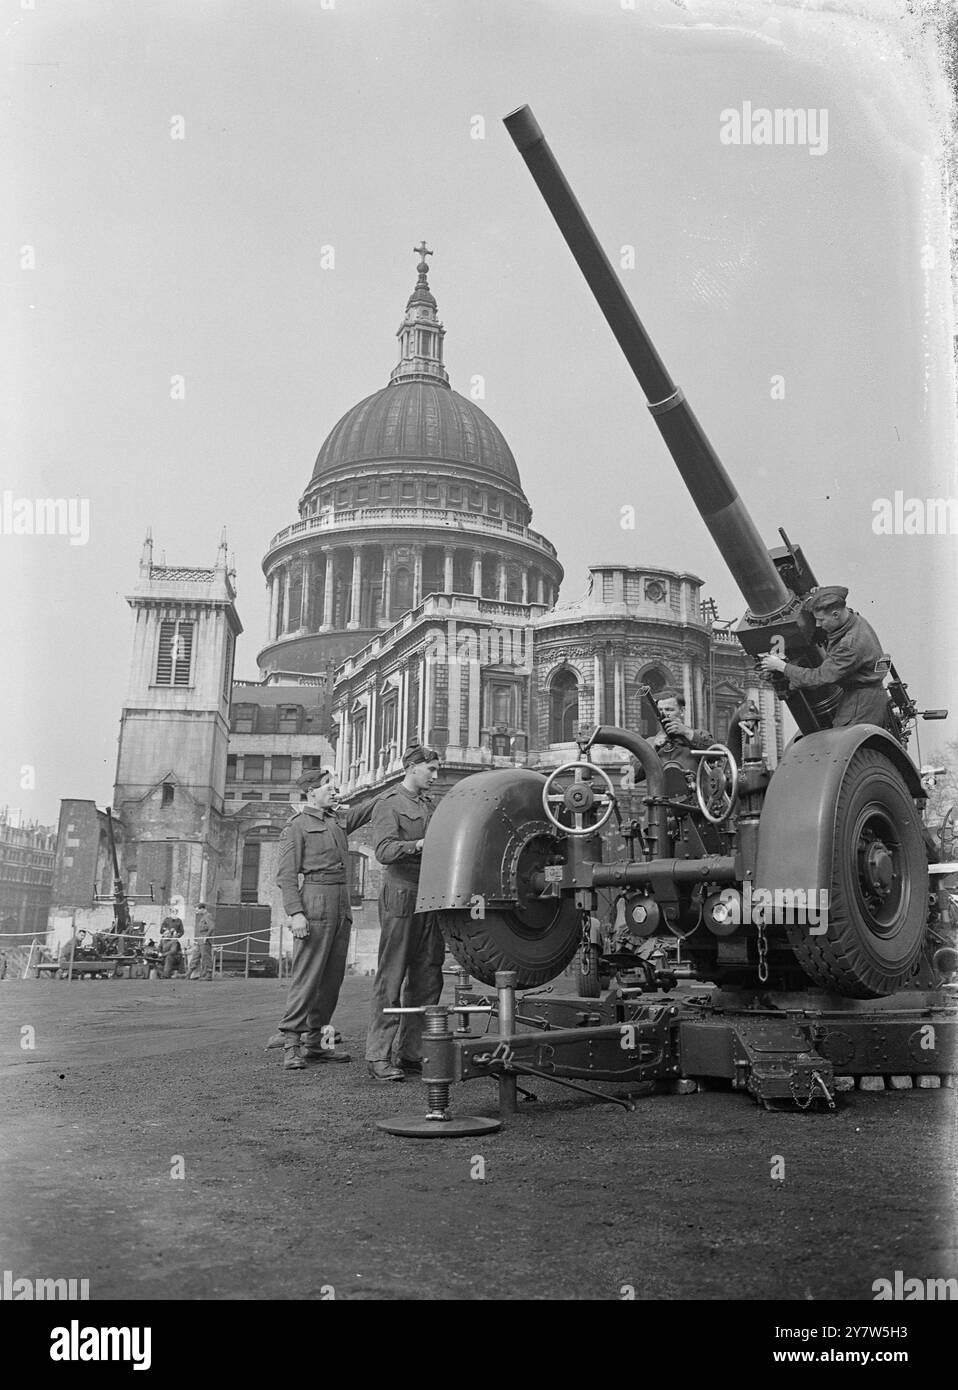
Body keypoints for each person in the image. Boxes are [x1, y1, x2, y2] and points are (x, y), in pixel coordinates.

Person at [273, 767, 375, 1072]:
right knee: (307, 977)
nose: (334, 789)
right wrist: (296, 913)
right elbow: (286, 876)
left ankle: (317, 1045)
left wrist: (396, 790)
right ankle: (292, 1045)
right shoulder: (296, 826)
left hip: (341, 902)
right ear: (310, 792)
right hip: (314, 900)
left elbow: (366, 810)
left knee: (331, 980)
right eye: (327, 785)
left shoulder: (337, 821)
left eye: (333, 785)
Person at [365, 743, 444, 1082]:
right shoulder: (389, 803)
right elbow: (383, 850)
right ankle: (378, 1055)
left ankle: (412, 1052)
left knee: (428, 974)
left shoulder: (429, 805)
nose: (436, 776)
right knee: (392, 975)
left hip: (429, 894)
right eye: (431, 770)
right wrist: (417, 846)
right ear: (412, 767)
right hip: (400, 893)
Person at [759, 586, 892, 728]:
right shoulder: (852, 618)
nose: (818, 624)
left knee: (841, 743)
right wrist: (817, 596)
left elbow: (819, 678)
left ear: (835, 614)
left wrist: (781, 666)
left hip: (863, 703)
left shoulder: (849, 646)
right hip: (866, 695)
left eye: (821, 620)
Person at [629, 692, 714, 784]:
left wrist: (686, 732)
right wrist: (653, 748)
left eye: (669, 710)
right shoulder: (649, 743)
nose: (663, 714)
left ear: (682, 711)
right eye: (660, 710)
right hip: (660, 797)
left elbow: (715, 755)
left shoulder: (700, 734)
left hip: (694, 796)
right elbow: (632, 777)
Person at [189, 903, 215, 980]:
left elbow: (212, 926)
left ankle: (208, 974)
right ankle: (190, 973)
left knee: (206, 957)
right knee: (195, 956)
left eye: (197, 909)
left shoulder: (208, 916)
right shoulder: (203, 917)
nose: (196, 911)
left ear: (202, 909)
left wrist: (206, 936)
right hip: (200, 940)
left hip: (204, 940)